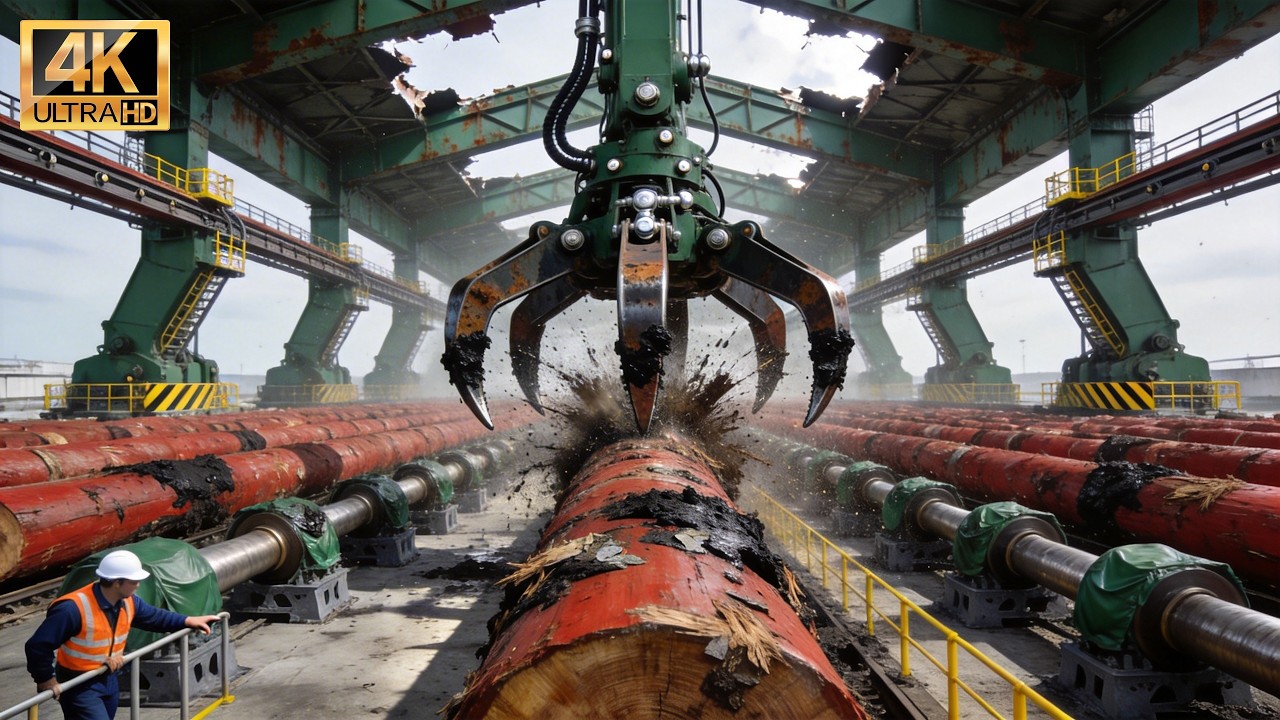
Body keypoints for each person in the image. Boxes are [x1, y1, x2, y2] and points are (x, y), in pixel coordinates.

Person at [25, 550, 222, 720]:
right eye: (134, 581)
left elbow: (154, 617)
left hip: (109, 677)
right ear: (117, 582)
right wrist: (46, 680)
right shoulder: (72, 609)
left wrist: (188, 621)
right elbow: (37, 645)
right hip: (80, 685)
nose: (138, 585)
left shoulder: (128, 601)